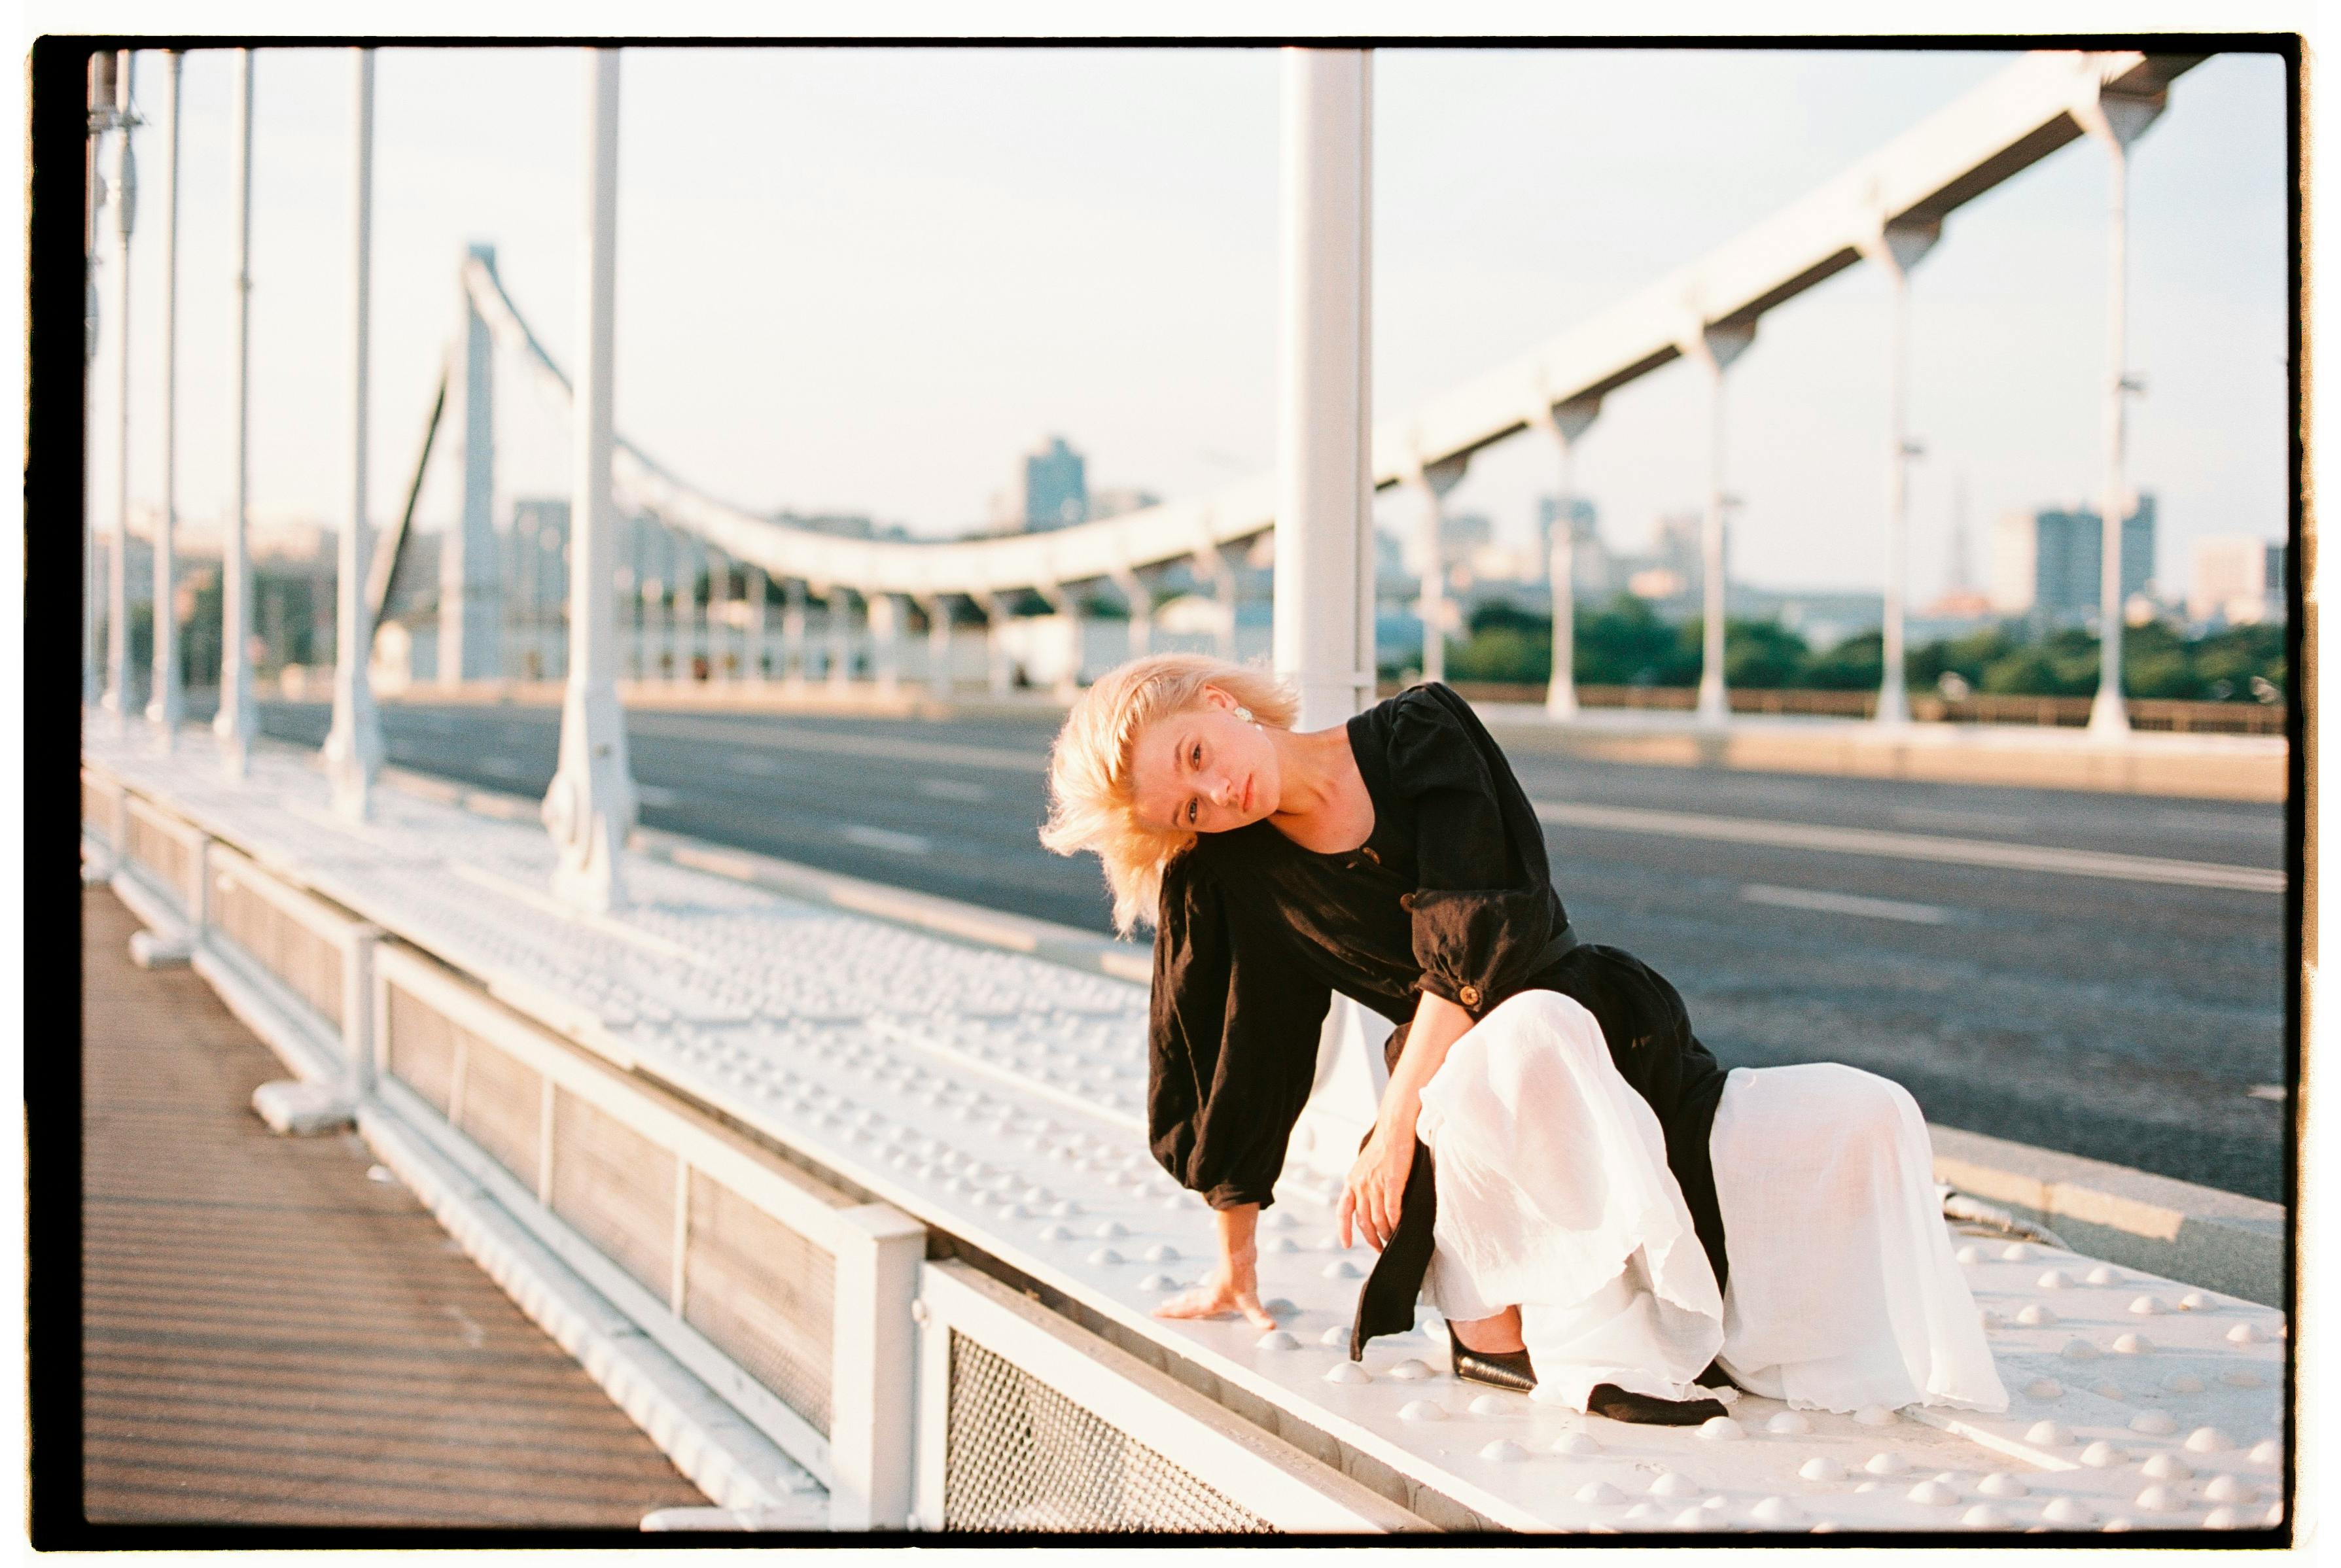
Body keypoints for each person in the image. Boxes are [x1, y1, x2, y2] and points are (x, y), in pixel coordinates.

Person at [1040, 654, 2006, 1424]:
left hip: (1615, 1041)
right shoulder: (1238, 878)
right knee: (1525, 1035)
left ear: (1217, 703)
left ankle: (1731, 1330)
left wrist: (1389, 1123)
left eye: (1197, 757)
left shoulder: (1421, 732)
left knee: (1866, 1112)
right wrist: (1234, 1261)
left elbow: (1479, 932)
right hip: (1476, 1100)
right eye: (1191, 810)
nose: (1219, 794)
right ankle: (1570, 1354)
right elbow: (1241, 1054)